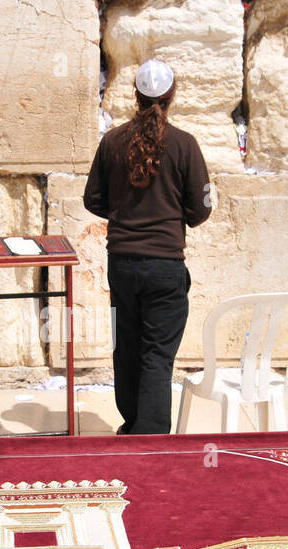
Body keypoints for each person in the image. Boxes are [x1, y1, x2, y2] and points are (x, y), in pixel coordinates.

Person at [83, 59, 212, 434]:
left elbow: (93, 198)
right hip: (165, 267)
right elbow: (200, 208)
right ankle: (150, 437)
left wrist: (124, 212)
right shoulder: (185, 145)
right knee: (157, 354)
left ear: (135, 96)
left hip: (122, 264)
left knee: (127, 345)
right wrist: (174, 213)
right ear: (171, 97)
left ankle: (133, 422)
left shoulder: (112, 141)